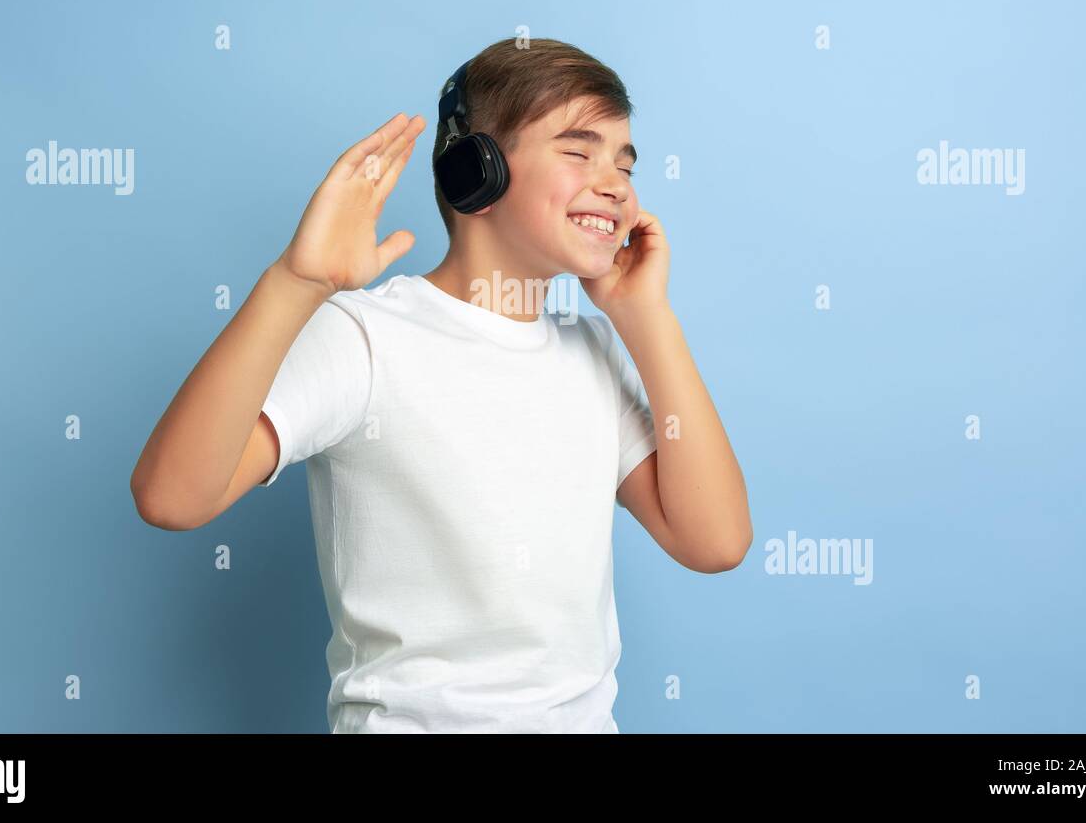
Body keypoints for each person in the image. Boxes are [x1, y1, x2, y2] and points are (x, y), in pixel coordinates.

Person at [130, 37, 752, 733]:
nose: (616, 184)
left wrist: (648, 319)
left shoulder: (595, 350)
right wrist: (295, 286)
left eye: (624, 162)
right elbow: (172, 497)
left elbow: (715, 541)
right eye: (579, 151)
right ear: (474, 171)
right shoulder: (366, 338)